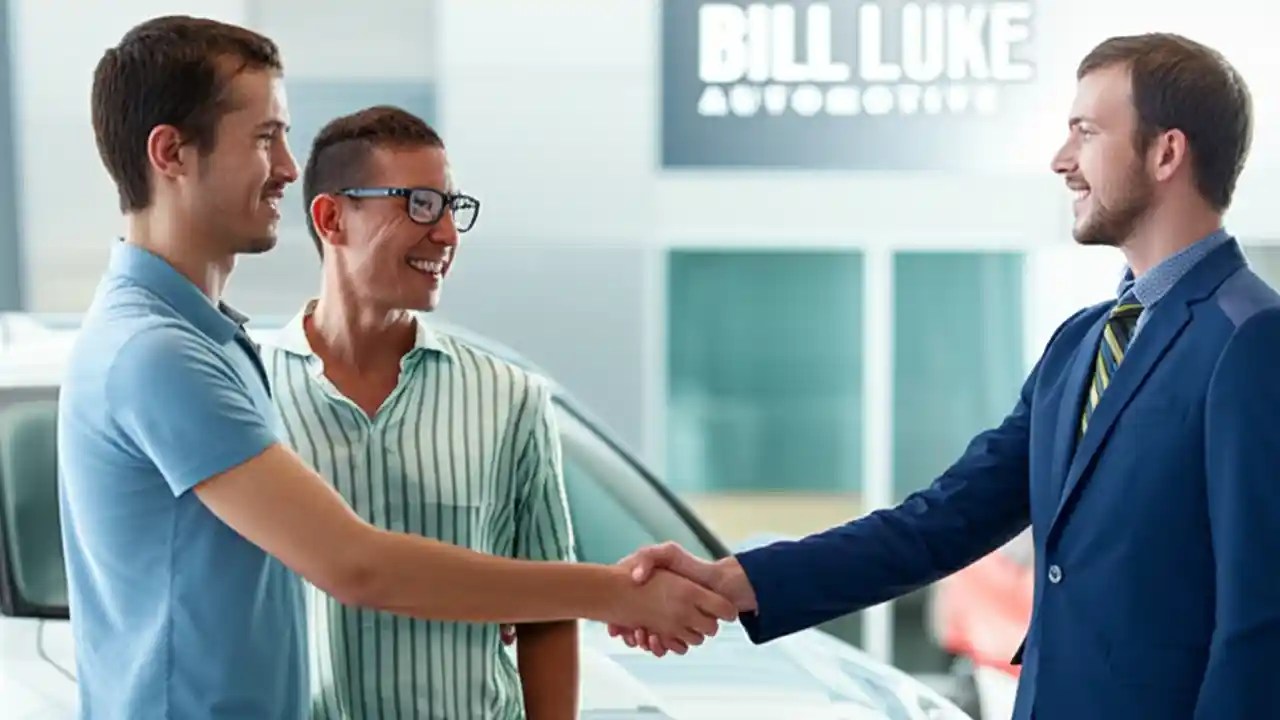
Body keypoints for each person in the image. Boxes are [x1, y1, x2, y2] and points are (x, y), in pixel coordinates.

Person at [57, 16, 734, 720]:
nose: (288, 166)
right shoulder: (158, 354)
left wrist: (526, 594)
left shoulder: (211, 344)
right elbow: (357, 564)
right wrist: (618, 592)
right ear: (170, 153)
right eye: (265, 138)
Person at [611, 32, 1278, 720]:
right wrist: (735, 581)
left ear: (1166, 152)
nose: (1062, 161)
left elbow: (1262, 620)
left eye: (1085, 132)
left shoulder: (1250, 339)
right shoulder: (1080, 343)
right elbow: (943, 521)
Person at [260, 105, 576, 720]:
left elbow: (550, 608)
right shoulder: (246, 392)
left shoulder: (510, 399)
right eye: (420, 205)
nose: (448, 234)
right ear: (331, 218)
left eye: (452, 208)